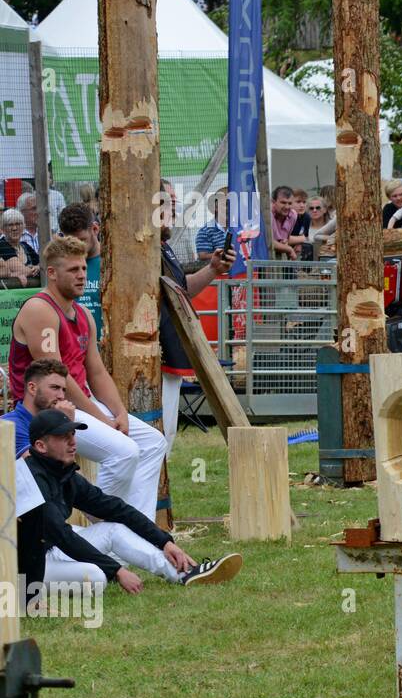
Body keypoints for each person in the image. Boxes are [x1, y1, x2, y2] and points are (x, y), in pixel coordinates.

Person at [8, 236, 169, 517]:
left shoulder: (83, 313)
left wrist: (118, 411)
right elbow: (56, 378)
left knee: (153, 442)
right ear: (52, 273)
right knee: (125, 452)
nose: (82, 275)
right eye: (73, 270)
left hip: (79, 404)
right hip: (48, 410)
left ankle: (138, 527)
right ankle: (107, 523)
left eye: (83, 268)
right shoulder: (39, 309)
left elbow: (96, 370)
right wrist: (101, 417)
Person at [17, 409, 243, 593]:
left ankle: (186, 573)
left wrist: (164, 542)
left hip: (50, 548)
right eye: (63, 436)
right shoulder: (32, 479)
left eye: (73, 434)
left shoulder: (64, 473)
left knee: (113, 529)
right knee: (96, 578)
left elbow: (117, 509)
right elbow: (63, 537)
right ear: (40, 446)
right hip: (24, 567)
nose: (72, 442)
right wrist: (116, 570)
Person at [159, 212, 233, 450]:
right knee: (155, 435)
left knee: (166, 433)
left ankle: (160, 487)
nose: (172, 216)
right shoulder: (140, 250)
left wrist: (213, 269)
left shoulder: (163, 247)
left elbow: (182, 290)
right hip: (151, 356)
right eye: (166, 208)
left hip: (169, 352)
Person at [3, 358, 76, 456]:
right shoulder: (11, 424)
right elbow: (37, 467)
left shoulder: (48, 421)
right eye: (55, 387)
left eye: (63, 390)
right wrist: (63, 425)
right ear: (32, 388)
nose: (61, 396)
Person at [55, 203, 103, 330]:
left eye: (82, 240)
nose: (77, 247)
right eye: (71, 241)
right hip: (73, 346)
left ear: (95, 229)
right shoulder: (60, 266)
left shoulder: (112, 262)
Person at [0, 207, 40, 285]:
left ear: (23, 226)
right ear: (3, 229)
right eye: (10, 225)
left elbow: (44, 264)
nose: (14, 228)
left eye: (18, 224)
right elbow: (23, 271)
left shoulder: (25, 246)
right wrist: (35, 269)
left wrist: (38, 267)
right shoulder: (2, 245)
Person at [194, 188, 230, 265]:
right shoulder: (205, 232)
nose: (229, 208)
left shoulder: (241, 229)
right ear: (216, 207)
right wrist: (225, 254)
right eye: (226, 204)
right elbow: (202, 256)